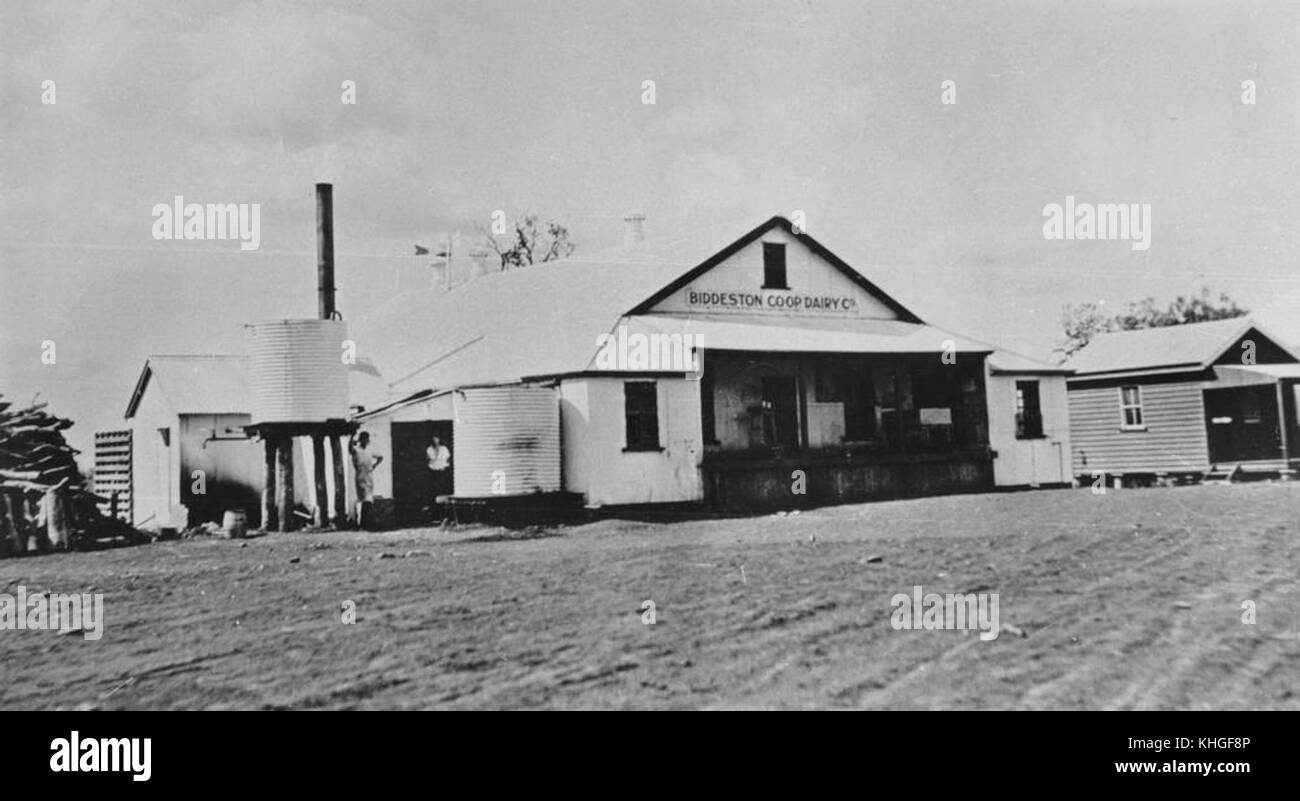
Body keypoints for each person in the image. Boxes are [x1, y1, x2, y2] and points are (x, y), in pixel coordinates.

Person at [349, 431, 383, 529]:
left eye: (367, 439)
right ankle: (362, 523)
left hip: (369, 475)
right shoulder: (356, 450)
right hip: (360, 475)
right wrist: (352, 437)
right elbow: (350, 449)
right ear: (360, 440)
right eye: (363, 439)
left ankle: (367, 523)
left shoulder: (369, 450)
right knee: (363, 499)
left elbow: (381, 457)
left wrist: (375, 465)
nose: (365, 441)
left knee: (368, 500)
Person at [426, 434, 452, 521]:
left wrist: (444, 466)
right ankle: (435, 514)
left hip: (442, 472)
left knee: (443, 492)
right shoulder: (429, 449)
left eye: (436, 438)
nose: (435, 440)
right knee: (434, 493)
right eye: (433, 438)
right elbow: (429, 460)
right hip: (433, 472)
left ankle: (444, 515)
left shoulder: (444, 449)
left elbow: (448, 459)